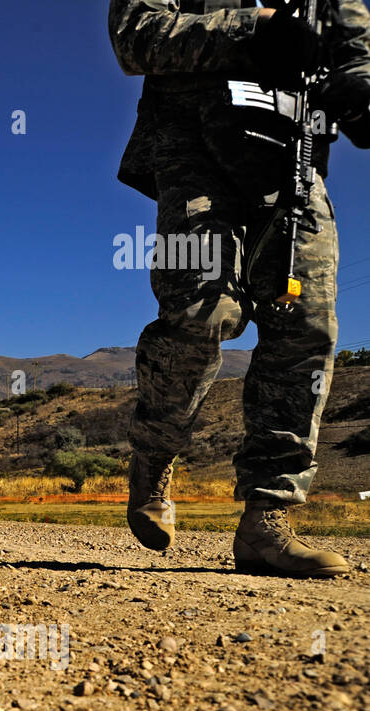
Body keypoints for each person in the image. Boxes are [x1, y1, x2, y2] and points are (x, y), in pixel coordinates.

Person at [110, 0, 365, 577]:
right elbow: (134, 36)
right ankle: (153, 457)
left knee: (307, 326)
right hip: (191, 147)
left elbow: (354, 46)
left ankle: (265, 519)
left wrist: (358, 84)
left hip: (293, 154)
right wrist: (258, 27)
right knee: (203, 311)